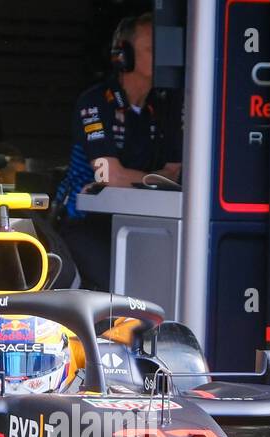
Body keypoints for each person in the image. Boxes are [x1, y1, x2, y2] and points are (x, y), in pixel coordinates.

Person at [55, 13, 183, 290]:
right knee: (116, 290)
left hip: (147, 222)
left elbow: (175, 174)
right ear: (123, 55)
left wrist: (142, 177)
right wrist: (154, 178)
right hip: (85, 222)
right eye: (152, 48)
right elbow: (108, 175)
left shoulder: (165, 105)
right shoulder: (95, 102)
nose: (161, 55)